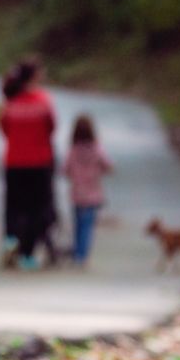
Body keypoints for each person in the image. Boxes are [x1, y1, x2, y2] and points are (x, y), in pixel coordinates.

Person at [0, 59, 56, 269]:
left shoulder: (10, 103)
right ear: (35, 76)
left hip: (14, 162)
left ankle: (11, 239)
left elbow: (3, 128)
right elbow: (51, 127)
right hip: (39, 162)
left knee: (13, 205)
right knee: (36, 209)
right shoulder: (43, 101)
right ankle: (27, 254)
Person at [63, 114, 112, 267]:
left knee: (78, 224)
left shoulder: (73, 150)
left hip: (77, 193)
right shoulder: (97, 149)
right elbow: (108, 165)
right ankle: (82, 255)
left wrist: (74, 175)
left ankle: (78, 252)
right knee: (87, 225)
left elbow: (65, 169)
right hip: (93, 193)